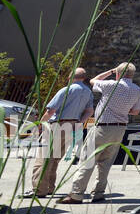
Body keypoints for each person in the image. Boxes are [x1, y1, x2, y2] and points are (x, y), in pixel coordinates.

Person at [61, 63, 140, 204]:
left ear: (118, 73)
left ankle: (76, 194)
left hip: (103, 127)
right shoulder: (138, 90)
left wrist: (110, 71)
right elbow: (135, 111)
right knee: (106, 162)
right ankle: (98, 193)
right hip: (120, 129)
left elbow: (93, 80)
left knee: (87, 160)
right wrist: (122, 110)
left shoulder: (110, 85)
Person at [27, 68, 94, 198]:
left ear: (70, 77)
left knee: (44, 158)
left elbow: (51, 111)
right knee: (55, 158)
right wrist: (79, 122)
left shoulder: (66, 90)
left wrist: (40, 124)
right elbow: (90, 111)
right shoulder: (88, 92)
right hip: (73, 125)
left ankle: (39, 190)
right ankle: (50, 187)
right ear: (84, 78)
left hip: (57, 125)